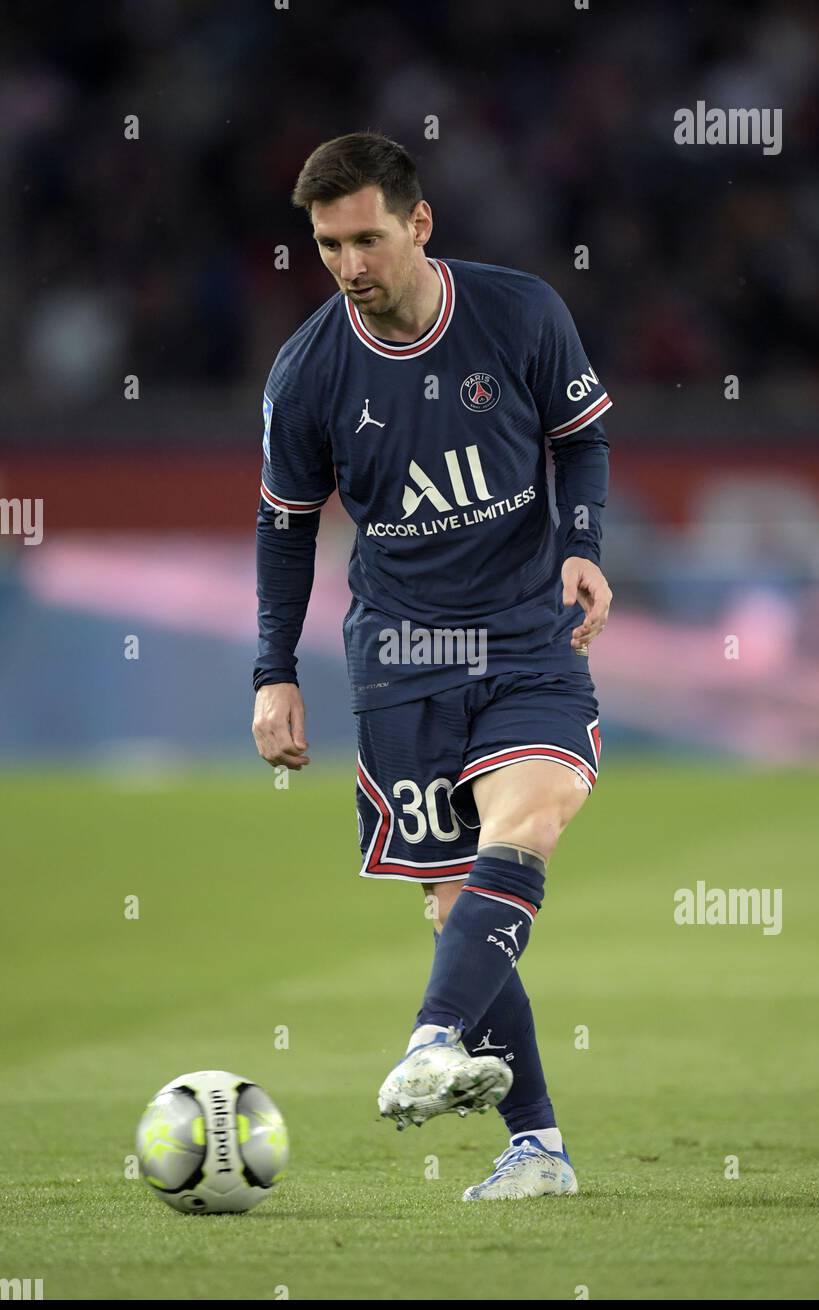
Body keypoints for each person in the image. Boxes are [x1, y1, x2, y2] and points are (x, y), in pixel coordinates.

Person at [252, 132, 612, 1201]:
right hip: (400, 657)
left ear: (417, 224)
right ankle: (536, 1149)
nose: (350, 265)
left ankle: (428, 1035)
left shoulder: (519, 312)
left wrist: (584, 543)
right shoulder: (310, 371)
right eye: (327, 246)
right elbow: (284, 525)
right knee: (457, 906)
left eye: (367, 238)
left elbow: (580, 437)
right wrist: (275, 667)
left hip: (526, 635)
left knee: (530, 818)